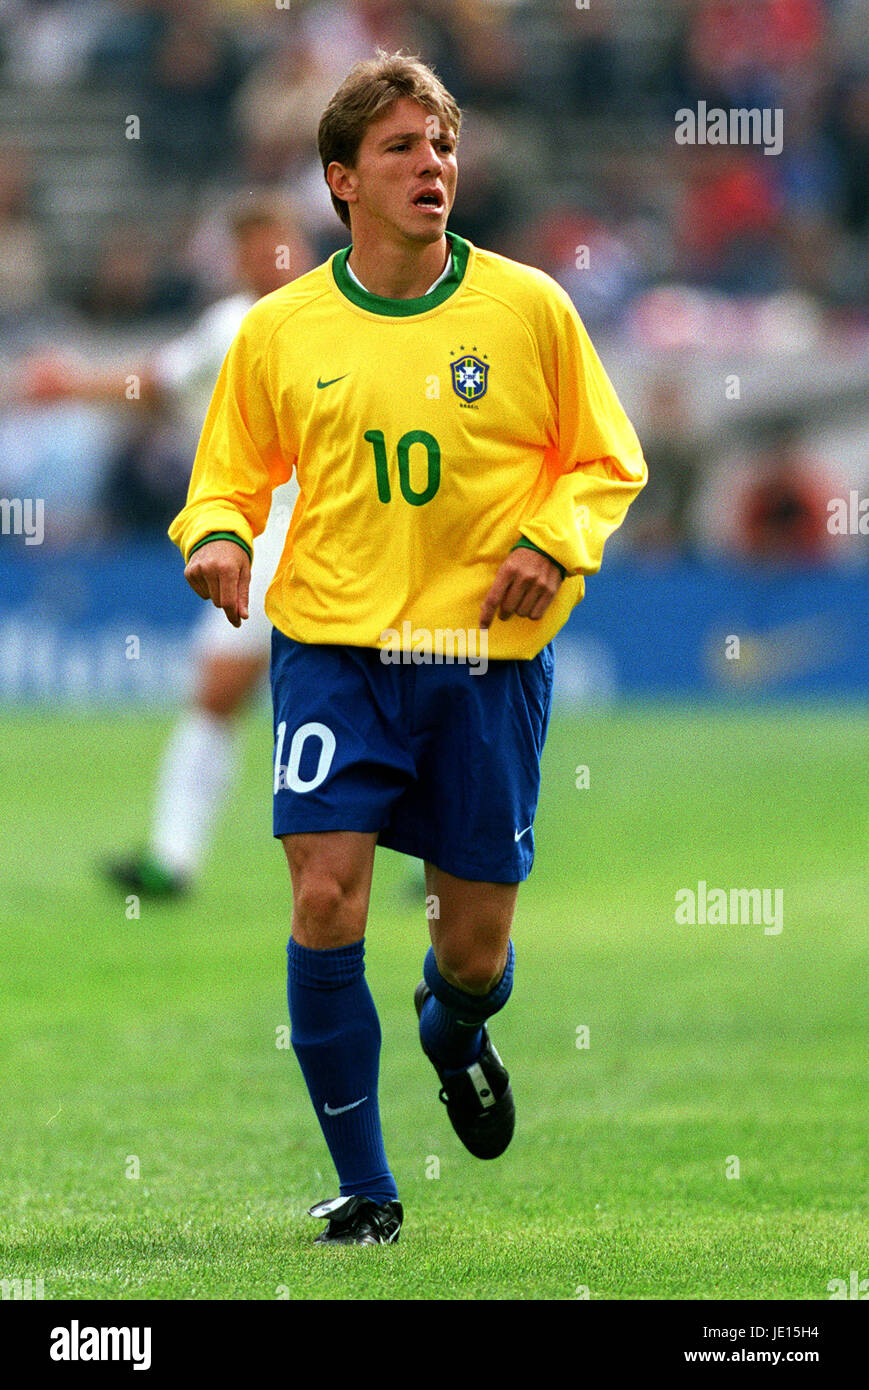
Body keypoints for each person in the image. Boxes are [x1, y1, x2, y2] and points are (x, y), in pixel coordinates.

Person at [169, 53, 647, 1245]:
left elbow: (604, 460)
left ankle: (455, 1027)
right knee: (324, 893)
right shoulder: (280, 331)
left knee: (472, 947)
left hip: (483, 665)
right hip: (336, 648)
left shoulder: (528, 309)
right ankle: (364, 1187)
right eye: (400, 149)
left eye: (439, 146)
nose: (431, 166)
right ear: (341, 180)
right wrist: (219, 537)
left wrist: (551, 539)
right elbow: (226, 478)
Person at [24, 199, 313, 895]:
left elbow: (151, 386)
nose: (262, 259)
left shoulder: (328, 311)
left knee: (375, 696)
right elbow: (154, 386)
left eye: (272, 243)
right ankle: (172, 860)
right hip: (264, 535)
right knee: (223, 691)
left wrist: (67, 383)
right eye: (247, 248)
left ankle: (440, 853)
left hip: (329, 533)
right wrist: (73, 386)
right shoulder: (234, 324)